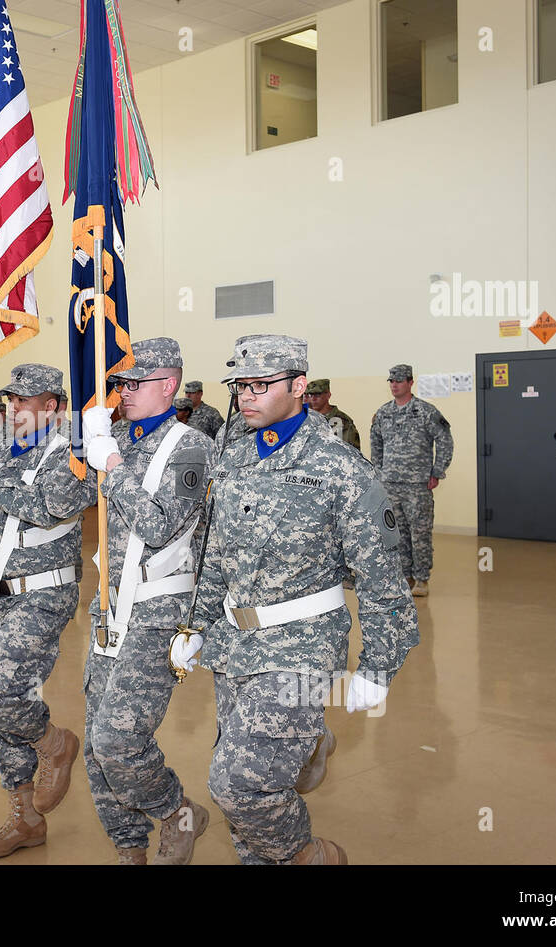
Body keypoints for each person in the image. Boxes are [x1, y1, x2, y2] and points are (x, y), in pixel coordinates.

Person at [182, 335, 419, 865]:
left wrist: (377, 667)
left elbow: (382, 577)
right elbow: (215, 551)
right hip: (234, 645)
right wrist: (194, 626)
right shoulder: (234, 453)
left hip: (302, 647)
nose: (248, 396)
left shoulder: (339, 466)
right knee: (249, 803)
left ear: (298, 386)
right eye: (241, 386)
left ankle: (308, 855)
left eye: (262, 385)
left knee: (237, 785)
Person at [80, 337, 216, 865]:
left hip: (158, 611)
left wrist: (111, 466)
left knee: (119, 740)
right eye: (120, 383)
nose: (124, 393)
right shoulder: (115, 436)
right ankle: (128, 848)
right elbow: (65, 499)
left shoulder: (190, 446)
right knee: (96, 745)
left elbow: (159, 525)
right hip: (109, 608)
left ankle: (177, 812)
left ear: (169, 385)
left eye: (134, 384)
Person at [0, 364, 95, 858]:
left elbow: (45, 506)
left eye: (25, 400)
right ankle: (25, 818)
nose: (13, 408)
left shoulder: (74, 452)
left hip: (44, 593)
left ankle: (54, 743)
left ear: (54, 406)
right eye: (10, 399)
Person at [369, 364, 454, 596]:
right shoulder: (384, 412)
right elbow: (376, 443)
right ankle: (404, 575)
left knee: (420, 533)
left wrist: (437, 471)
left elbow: (445, 440)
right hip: (390, 484)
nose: (394, 384)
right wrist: (378, 472)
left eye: (399, 380)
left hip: (418, 485)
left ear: (410, 382)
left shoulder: (426, 411)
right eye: (391, 381)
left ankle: (422, 579)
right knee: (397, 533)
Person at [305, 379, 361, 450]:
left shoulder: (343, 421)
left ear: (328, 395)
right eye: (310, 395)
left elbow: (353, 451)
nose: (313, 398)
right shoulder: (305, 419)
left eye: (318, 394)